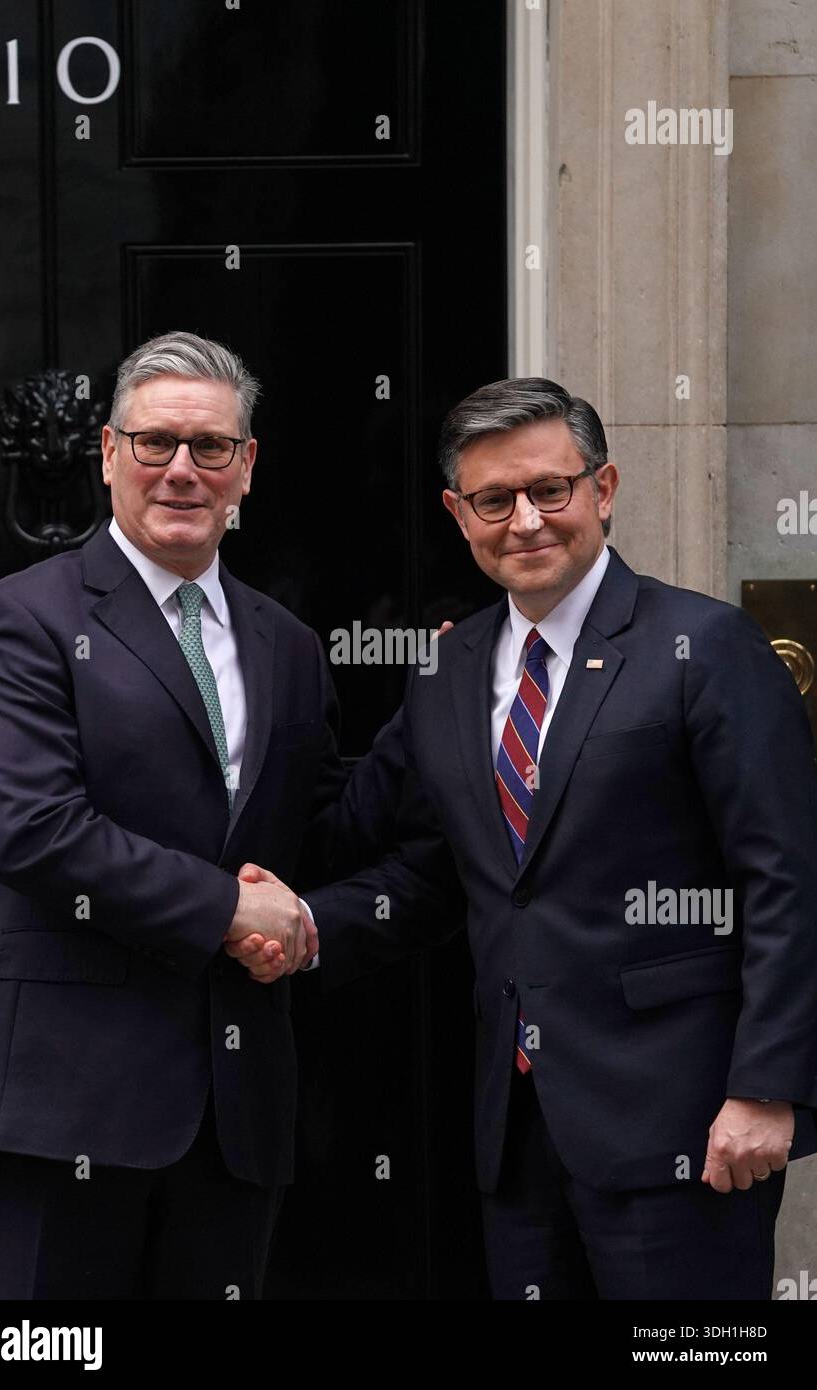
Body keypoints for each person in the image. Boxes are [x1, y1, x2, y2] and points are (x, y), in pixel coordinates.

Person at [240, 377, 817, 1300]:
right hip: (517, 1125)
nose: (527, 521)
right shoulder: (449, 668)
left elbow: (788, 878)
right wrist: (301, 924)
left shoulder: (704, 646)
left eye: (551, 490)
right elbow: (442, 875)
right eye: (494, 500)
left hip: (687, 1120)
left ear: (603, 489)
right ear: (456, 512)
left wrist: (767, 1088)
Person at [0, 331, 330, 1300]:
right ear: (109, 454)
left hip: (234, 1112)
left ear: (245, 466)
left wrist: (456, 698)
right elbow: (28, 825)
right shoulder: (22, 615)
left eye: (210, 446)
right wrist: (226, 910)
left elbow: (320, 824)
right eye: (154, 442)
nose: (180, 470)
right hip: (58, 1103)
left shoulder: (285, 643)